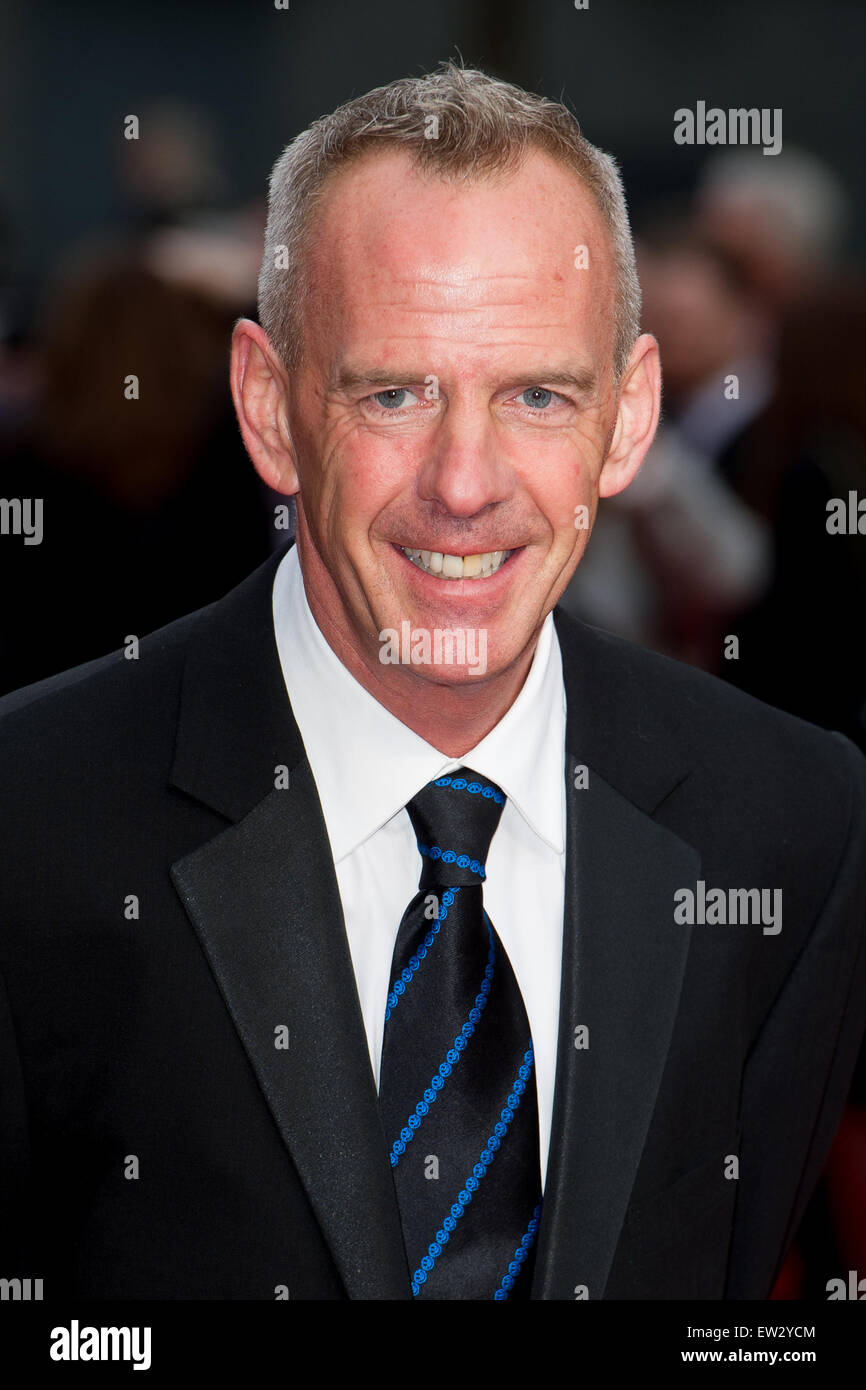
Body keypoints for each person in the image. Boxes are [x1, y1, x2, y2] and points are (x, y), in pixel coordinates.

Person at [1, 62, 864, 1302]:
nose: (464, 483)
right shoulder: (30, 818)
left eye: (535, 395)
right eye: (393, 392)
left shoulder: (792, 824)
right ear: (269, 408)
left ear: (626, 421)